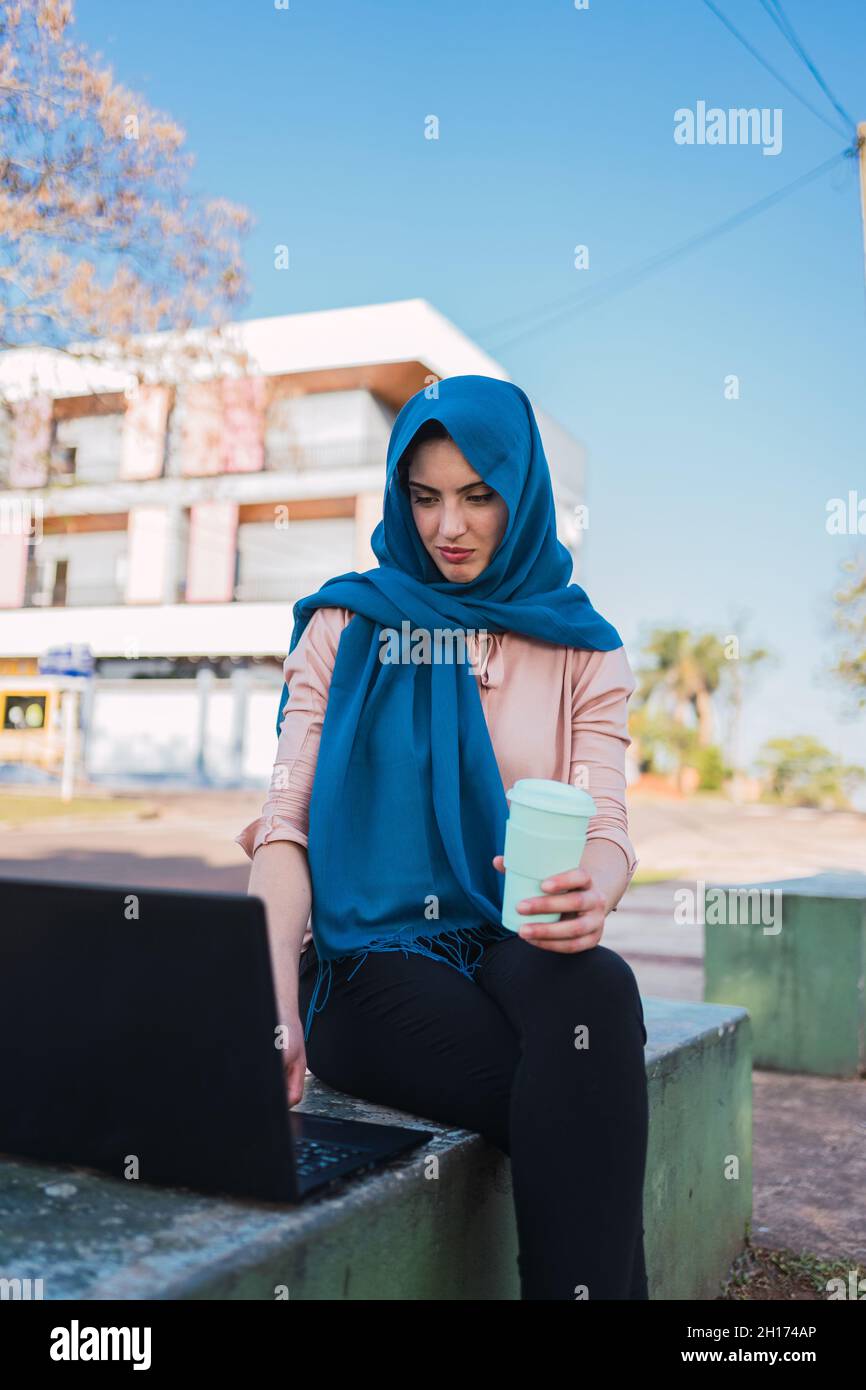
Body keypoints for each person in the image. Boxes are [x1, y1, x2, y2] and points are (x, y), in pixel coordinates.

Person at [237, 374, 649, 1300]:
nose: (447, 527)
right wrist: (269, 1002)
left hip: (510, 930)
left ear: (525, 495)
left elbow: (610, 823)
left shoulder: (584, 645)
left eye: (478, 496)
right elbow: (285, 828)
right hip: (368, 954)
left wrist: (596, 887)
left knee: (599, 985)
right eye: (424, 497)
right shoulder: (347, 623)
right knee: (587, 1100)